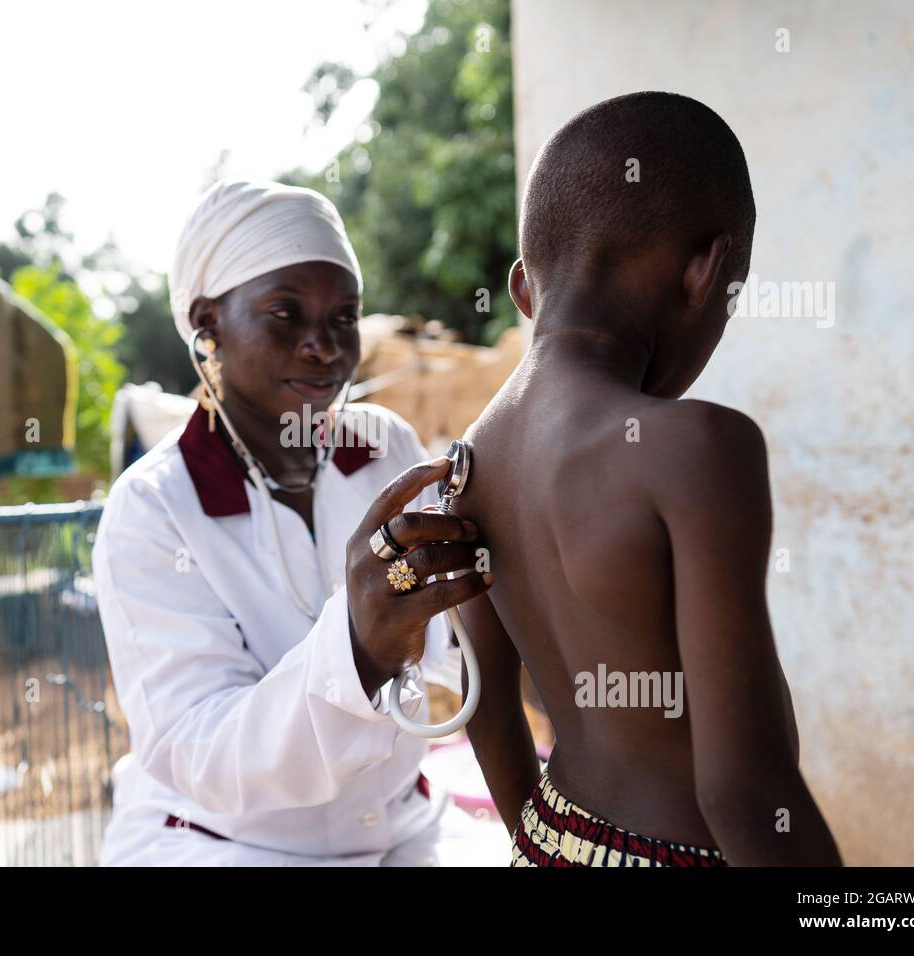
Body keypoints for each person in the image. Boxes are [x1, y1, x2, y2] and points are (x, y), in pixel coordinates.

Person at [455, 92, 842, 866]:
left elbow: (488, 714)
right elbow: (744, 790)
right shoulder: (695, 447)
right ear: (707, 272)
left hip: (544, 842)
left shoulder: (464, 464)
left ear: (525, 289)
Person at [92, 180, 499, 866]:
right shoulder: (155, 508)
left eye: (344, 317)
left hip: (401, 826)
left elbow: (449, 651)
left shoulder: (383, 447)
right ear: (207, 326)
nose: (323, 346)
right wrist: (359, 649)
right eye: (285, 313)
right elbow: (199, 750)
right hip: (231, 845)